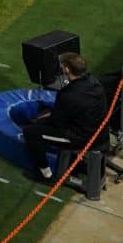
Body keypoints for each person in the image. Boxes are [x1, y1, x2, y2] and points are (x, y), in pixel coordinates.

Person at [17, 52, 106, 180]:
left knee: (31, 132)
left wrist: (39, 121)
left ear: (67, 69)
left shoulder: (68, 94)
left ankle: (45, 174)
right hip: (98, 130)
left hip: (80, 137)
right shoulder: (95, 83)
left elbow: (57, 123)